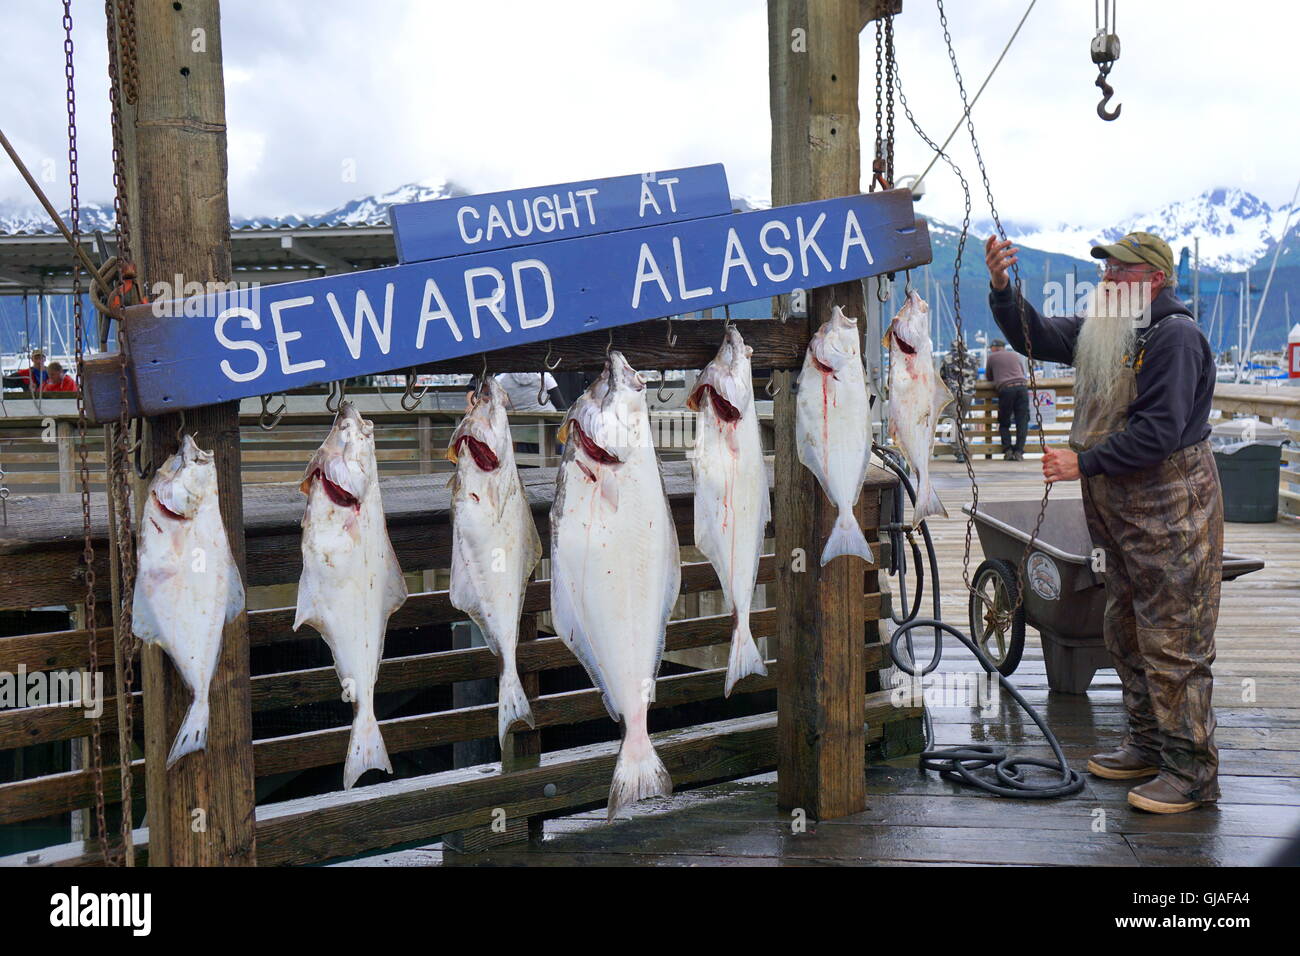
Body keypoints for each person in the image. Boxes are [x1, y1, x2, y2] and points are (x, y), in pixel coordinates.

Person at [985, 230, 1222, 814]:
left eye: (1121, 271)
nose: (1109, 280)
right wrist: (1001, 285)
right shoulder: (1106, 332)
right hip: (1118, 516)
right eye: (1106, 271)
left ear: (1154, 280)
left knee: (1174, 638)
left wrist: (1083, 460)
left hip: (1172, 513)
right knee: (1125, 628)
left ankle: (1191, 771)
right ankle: (1147, 744)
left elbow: (1159, 431)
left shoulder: (1176, 338)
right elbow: (1034, 334)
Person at [985, 339, 1029, 460]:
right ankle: (1019, 451)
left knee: (1004, 422)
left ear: (993, 348)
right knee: (1022, 421)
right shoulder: (1014, 355)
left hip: (1006, 389)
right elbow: (1023, 372)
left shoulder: (992, 358)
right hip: (1022, 387)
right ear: (1003, 347)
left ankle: (1008, 450)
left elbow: (989, 377)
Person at [939, 338, 977, 462]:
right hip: (968, 394)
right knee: (959, 422)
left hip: (953, 392)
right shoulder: (972, 359)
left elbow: (942, 375)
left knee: (953, 422)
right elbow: (975, 375)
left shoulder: (947, 358)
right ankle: (964, 447)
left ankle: (960, 452)